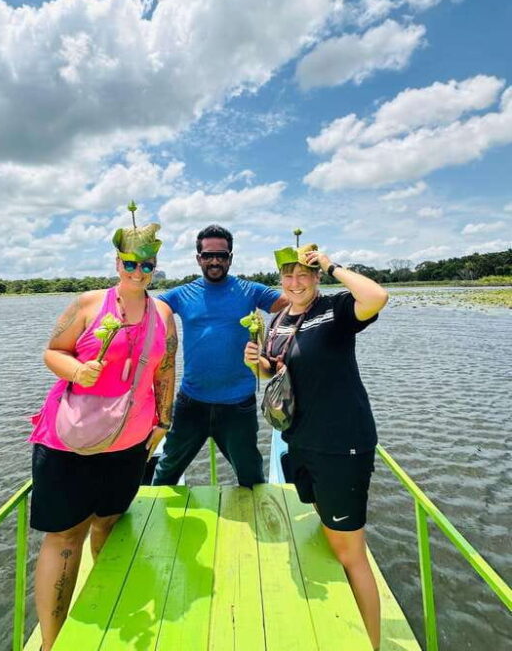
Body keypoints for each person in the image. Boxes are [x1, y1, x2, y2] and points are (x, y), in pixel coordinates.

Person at [28, 213, 176, 651]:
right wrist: (77, 368)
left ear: (155, 269)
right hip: (69, 442)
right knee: (65, 534)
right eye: (130, 264)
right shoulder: (88, 305)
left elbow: (165, 370)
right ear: (117, 262)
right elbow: (52, 351)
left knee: (109, 523)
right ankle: (52, 643)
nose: (138, 273)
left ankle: (106, 604)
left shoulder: (164, 314)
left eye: (147, 266)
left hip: (130, 444)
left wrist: (163, 422)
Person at [245, 241, 388, 651]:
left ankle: (372, 643)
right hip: (300, 442)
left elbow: (377, 296)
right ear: (280, 280)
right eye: (288, 276)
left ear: (315, 277)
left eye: (303, 275)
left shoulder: (336, 311)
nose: (295, 282)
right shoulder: (277, 322)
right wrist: (255, 359)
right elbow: (275, 370)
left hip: (342, 444)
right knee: (330, 531)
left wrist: (330, 262)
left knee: (351, 552)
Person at [152, 224, 287, 488]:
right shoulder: (181, 294)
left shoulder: (251, 291)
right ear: (198, 258)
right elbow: (147, 308)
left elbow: (295, 302)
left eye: (222, 255)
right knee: (166, 473)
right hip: (191, 403)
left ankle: (257, 527)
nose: (215, 261)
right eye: (208, 255)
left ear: (230, 258)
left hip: (239, 406)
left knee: (251, 478)